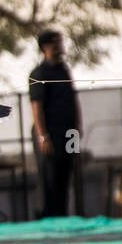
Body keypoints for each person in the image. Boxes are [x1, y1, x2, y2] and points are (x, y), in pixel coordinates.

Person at [29, 30, 81, 218]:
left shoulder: (64, 70)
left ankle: (64, 216)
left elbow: (73, 100)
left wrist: (78, 128)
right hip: (50, 135)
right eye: (56, 44)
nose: (60, 47)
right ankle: (46, 217)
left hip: (68, 133)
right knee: (48, 179)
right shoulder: (39, 73)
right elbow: (36, 107)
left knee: (66, 177)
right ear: (45, 48)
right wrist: (42, 135)